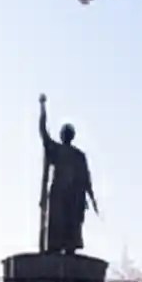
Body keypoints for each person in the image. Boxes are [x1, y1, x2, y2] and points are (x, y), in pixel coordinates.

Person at [39, 94, 98, 254]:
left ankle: (68, 250)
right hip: (60, 192)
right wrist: (43, 109)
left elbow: (86, 178)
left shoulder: (79, 155)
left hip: (72, 194)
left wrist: (91, 198)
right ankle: (55, 251)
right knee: (58, 224)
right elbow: (43, 132)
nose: (66, 135)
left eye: (68, 132)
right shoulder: (57, 149)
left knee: (71, 226)